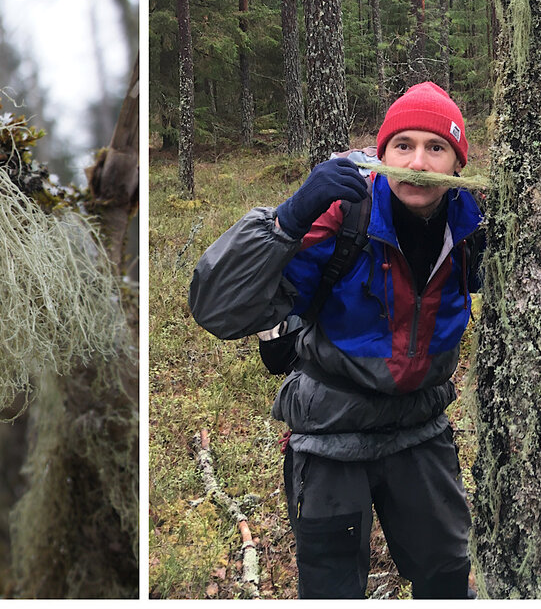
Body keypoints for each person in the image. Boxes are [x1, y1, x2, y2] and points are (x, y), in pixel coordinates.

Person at [189, 82, 482, 599]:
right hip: (329, 434)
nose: (418, 162)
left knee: (447, 578)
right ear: (383, 151)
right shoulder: (346, 215)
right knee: (332, 589)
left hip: (421, 429)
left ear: (458, 163)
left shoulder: (471, 227)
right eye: (404, 145)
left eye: (436, 147)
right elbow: (216, 308)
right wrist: (288, 219)